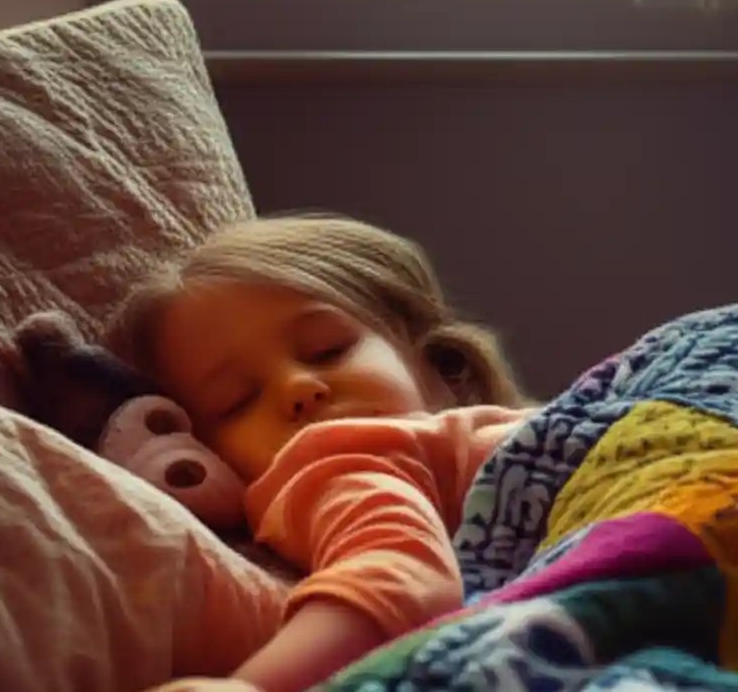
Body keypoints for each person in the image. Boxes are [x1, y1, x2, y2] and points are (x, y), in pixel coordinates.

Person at [107, 213, 534, 692]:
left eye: (327, 350)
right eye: (237, 401)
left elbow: (404, 574)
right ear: (208, 459)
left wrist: (253, 686)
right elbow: (396, 563)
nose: (297, 387)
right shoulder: (337, 462)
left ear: (430, 361)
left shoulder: (363, 446)